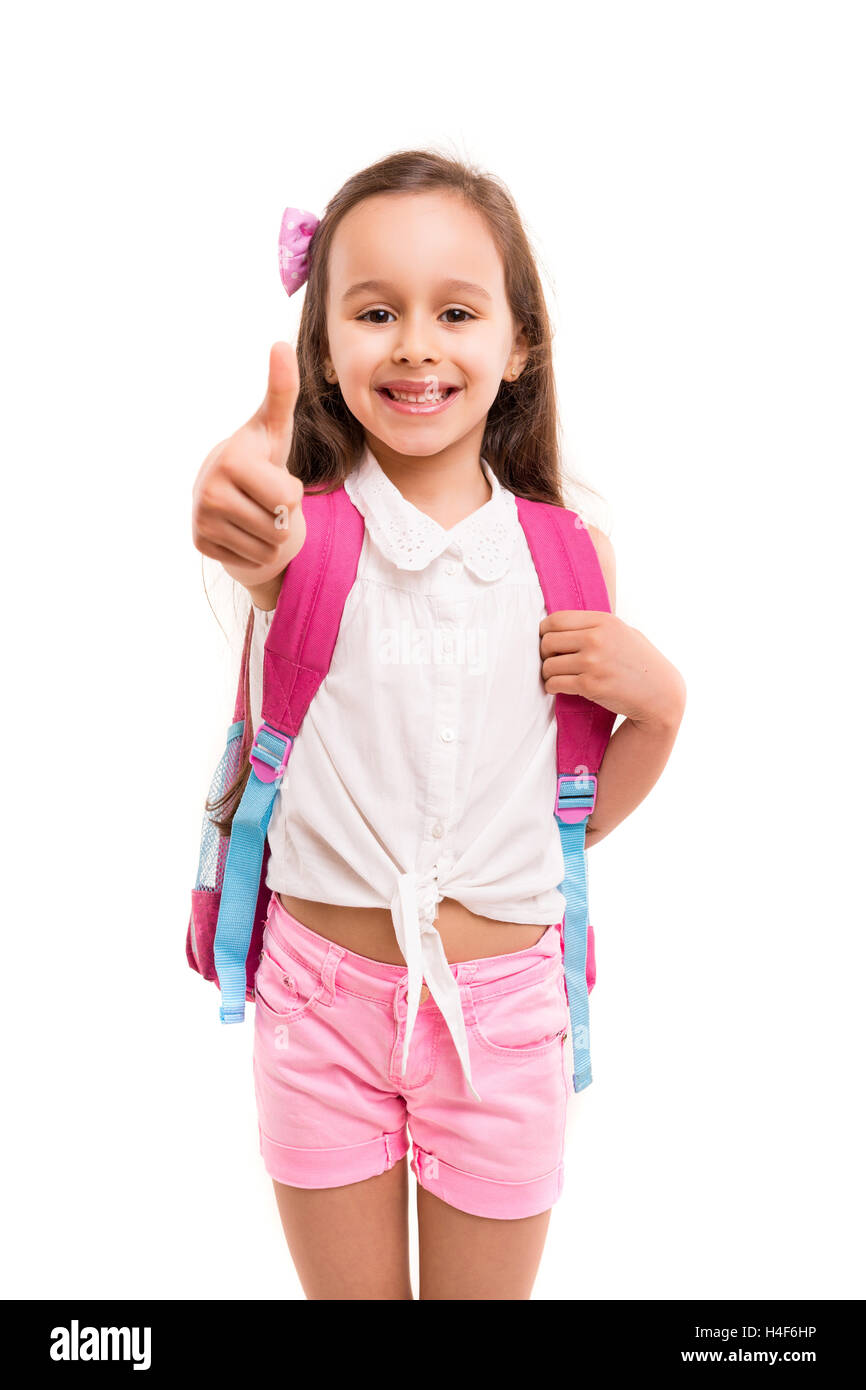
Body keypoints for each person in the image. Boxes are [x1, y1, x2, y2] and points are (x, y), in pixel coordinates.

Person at [191, 148, 686, 1300]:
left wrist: (659, 709)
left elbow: (571, 819)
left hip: (503, 1020)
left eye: (454, 311)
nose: (414, 342)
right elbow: (239, 518)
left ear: (516, 348)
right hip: (318, 1015)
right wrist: (226, 500)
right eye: (374, 311)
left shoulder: (570, 558)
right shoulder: (296, 538)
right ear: (323, 349)